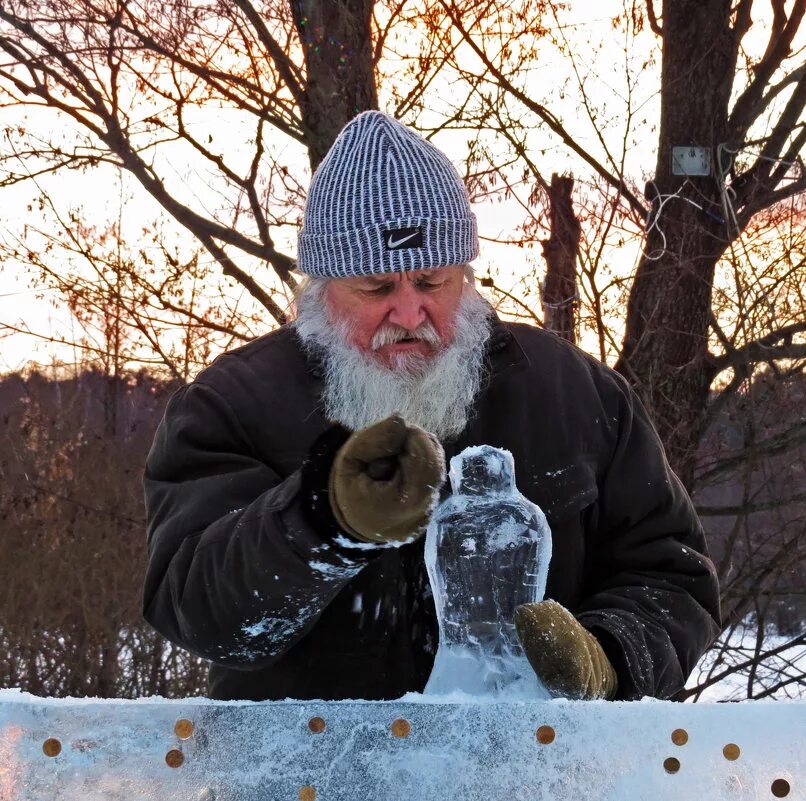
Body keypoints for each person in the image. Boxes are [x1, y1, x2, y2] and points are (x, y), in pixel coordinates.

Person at [142, 111, 721, 702]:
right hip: (308, 781)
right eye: (376, 287)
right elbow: (199, 612)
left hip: (533, 776)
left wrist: (609, 658)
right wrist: (321, 519)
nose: (409, 314)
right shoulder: (232, 405)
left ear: (465, 277)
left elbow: (670, 575)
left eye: (431, 281)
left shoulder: (572, 392)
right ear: (320, 288)